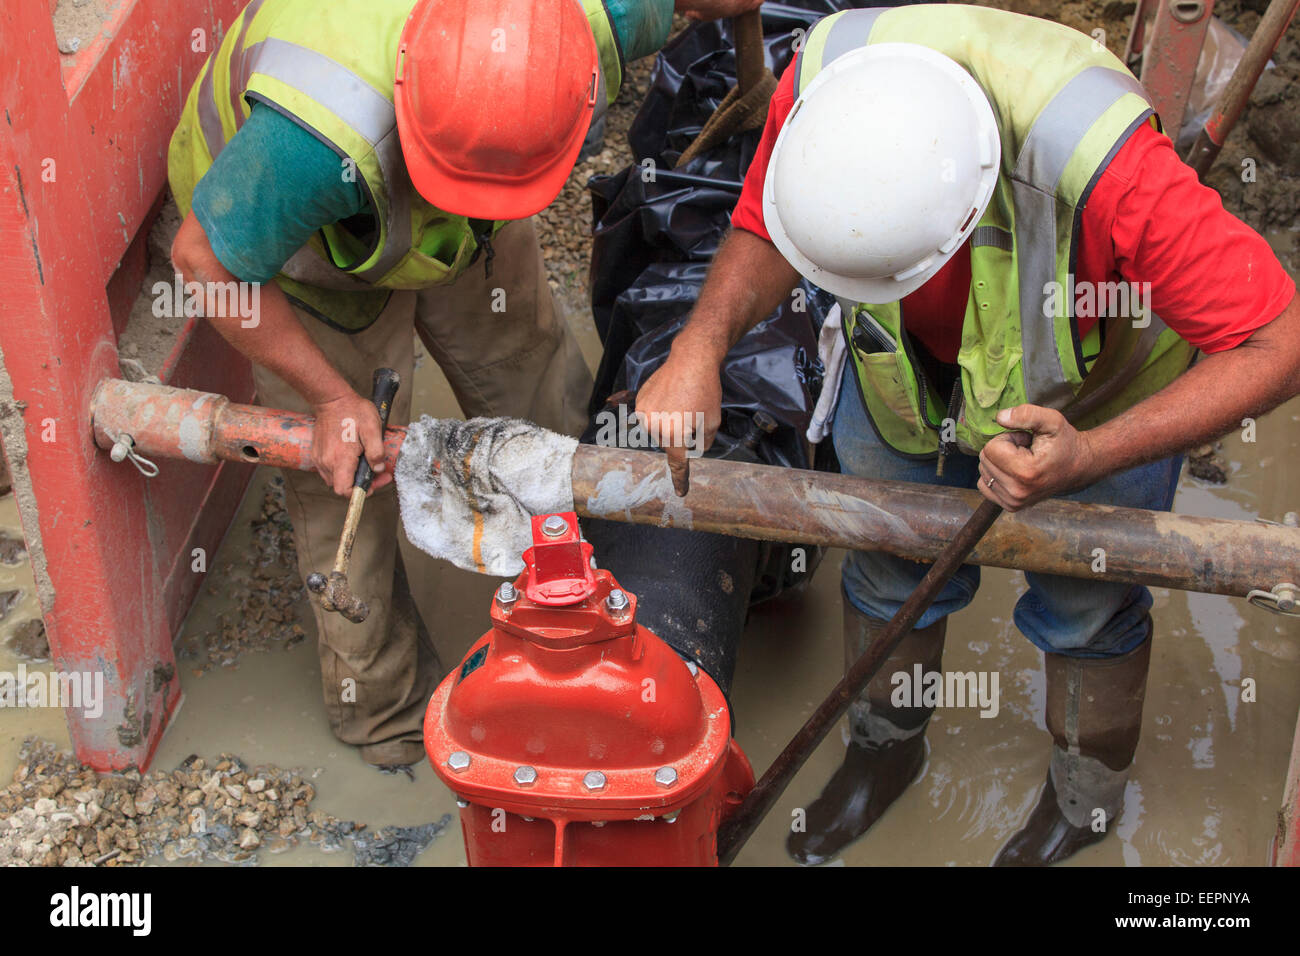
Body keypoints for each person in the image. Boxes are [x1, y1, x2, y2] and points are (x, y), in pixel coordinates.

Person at [634, 3, 1300, 864]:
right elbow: (769, 218)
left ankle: (1083, 795)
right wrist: (700, 343)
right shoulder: (830, 80)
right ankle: (885, 752)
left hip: (1091, 396)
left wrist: (1092, 453)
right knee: (881, 565)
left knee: (1087, 607)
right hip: (902, 377)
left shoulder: (1108, 161)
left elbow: (1278, 347)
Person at [167, 0, 764, 769]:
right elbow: (203, 265)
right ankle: (380, 711)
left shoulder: (579, 30)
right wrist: (326, 397)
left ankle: (582, 601)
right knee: (349, 474)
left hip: (470, 202)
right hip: (304, 252)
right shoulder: (312, 139)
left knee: (544, 391)